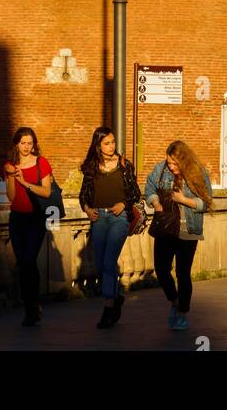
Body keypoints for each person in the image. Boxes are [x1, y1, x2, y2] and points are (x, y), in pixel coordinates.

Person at [79, 126, 143, 329]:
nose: (111, 146)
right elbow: (83, 195)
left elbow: (135, 193)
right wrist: (87, 209)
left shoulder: (124, 165)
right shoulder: (91, 167)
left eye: (113, 142)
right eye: (106, 143)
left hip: (119, 218)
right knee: (100, 264)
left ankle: (108, 309)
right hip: (98, 218)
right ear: (98, 145)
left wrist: (123, 204)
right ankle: (117, 296)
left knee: (108, 261)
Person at [145, 139, 213, 331]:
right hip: (166, 228)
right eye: (169, 162)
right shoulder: (160, 169)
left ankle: (182, 313)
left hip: (188, 231)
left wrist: (184, 200)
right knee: (161, 269)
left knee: (183, 274)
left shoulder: (199, 173)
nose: (171, 167)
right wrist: (156, 203)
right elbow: (149, 188)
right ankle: (174, 301)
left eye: (175, 163)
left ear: (184, 160)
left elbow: (206, 203)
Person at [4, 126, 52, 326]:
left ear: (34, 144)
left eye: (29, 143)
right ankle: (30, 305)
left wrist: (25, 182)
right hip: (17, 219)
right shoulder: (10, 165)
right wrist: (11, 177)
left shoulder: (41, 163)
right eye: (22, 143)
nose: (26, 147)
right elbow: (11, 197)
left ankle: (33, 305)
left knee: (29, 259)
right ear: (16, 144)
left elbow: (47, 192)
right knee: (23, 263)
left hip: (36, 218)